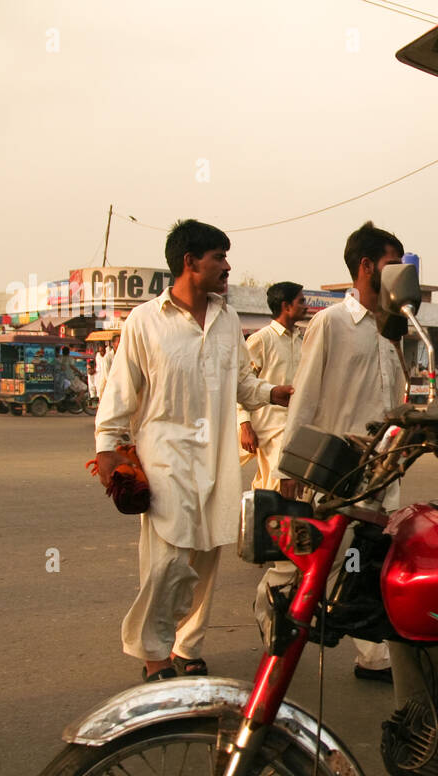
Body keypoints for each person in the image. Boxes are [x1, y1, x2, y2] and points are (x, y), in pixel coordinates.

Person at [95, 219, 292, 681]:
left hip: (217, 458)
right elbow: (122, 390)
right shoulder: (145, 321)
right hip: (165, 457)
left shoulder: (227, 319)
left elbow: (242, 381)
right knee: (168, 560)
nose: (227, 266)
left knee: (204, 558)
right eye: (219, 257)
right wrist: (108, 445)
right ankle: (153, 653)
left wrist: (271, 394)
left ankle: (186, 644)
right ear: (190, 262)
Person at [262, 221, 407, 682]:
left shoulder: (392, 327)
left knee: (368, 557)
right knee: (311, 559)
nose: (399, 275)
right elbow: (305, 396)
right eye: (391, 265)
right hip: (336, 465)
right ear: (366, 267)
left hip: (382, 466)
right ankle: (271, 615)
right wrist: (291, 464)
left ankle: (372, 656)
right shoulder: (331, 322)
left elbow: (396, 392)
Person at [238, 281, 307, 491]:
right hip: (270, 426)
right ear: (286, 306)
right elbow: (241, 384)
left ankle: (258, 520)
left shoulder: (303, 339)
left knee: (274, 484)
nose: (306, 306)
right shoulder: (261, 339)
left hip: (296, 425)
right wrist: (245, 425)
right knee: (283, 481)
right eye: (301, 301)